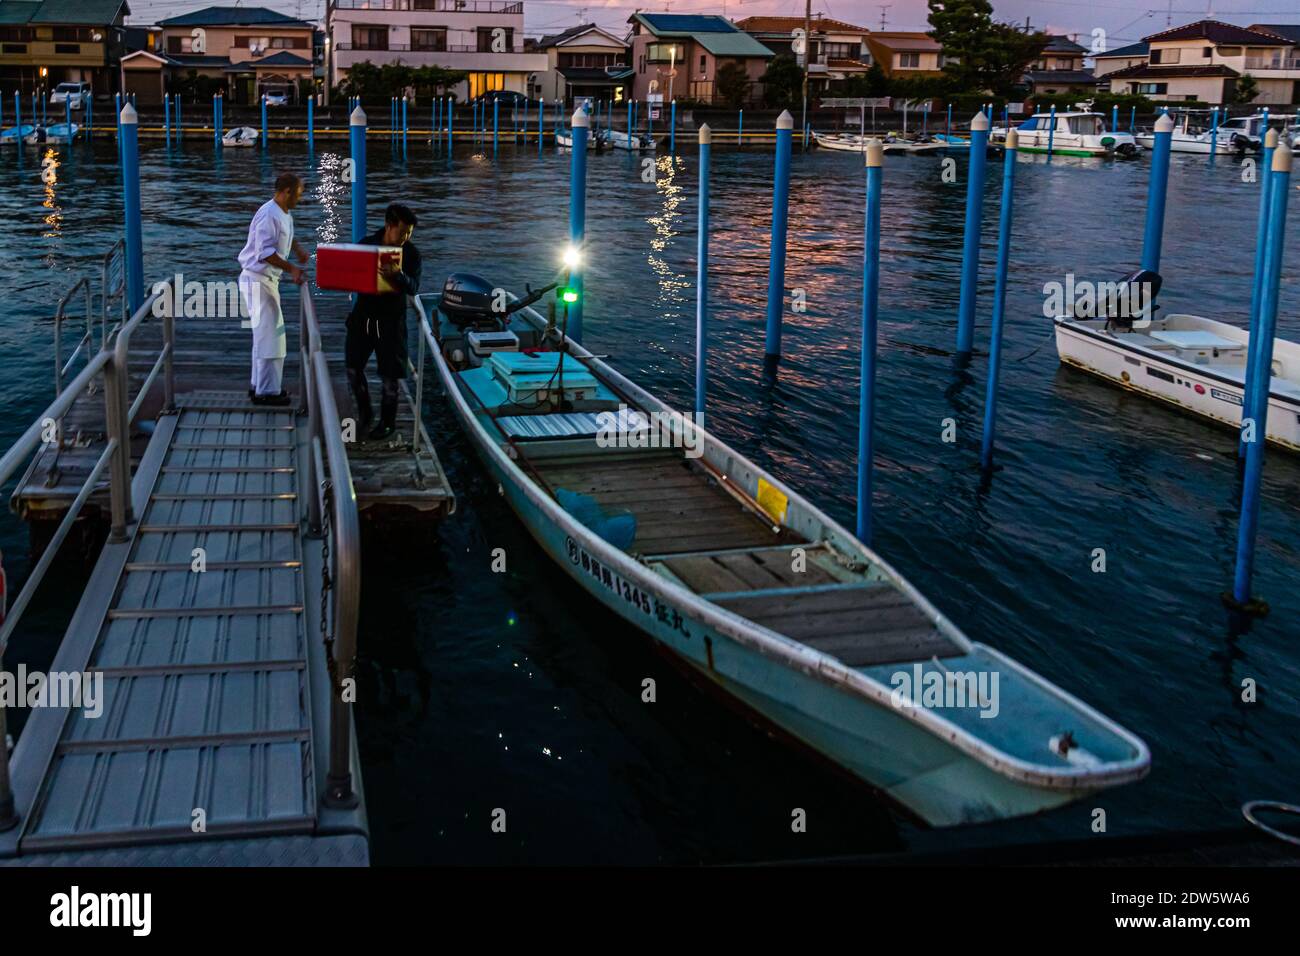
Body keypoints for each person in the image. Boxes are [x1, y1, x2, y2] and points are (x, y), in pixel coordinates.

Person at [345, 203, 421, 440]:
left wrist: (398, 276)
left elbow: (414, 288)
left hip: (392, 321)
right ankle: (365, 413)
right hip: (364, 316)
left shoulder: (411, 254)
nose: (406, 237)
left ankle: (388, 423)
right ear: (389, 226)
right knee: (352, 367)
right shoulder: (366, 245)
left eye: (410, 233)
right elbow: (349, 273)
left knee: (391, 376)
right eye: (402, 231)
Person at [238, 172, 308, 406]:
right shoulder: (269, 214)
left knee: (263, 336)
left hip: (266, 281)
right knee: (271, 337)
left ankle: (258, 385)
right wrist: (293, 269)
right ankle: (267, 392)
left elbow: (286, 235)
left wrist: (296, 249)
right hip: (258, 280)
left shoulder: (283, 212)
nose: (300, 198)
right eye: (298, 194)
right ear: (287, 192)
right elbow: (264, 252)